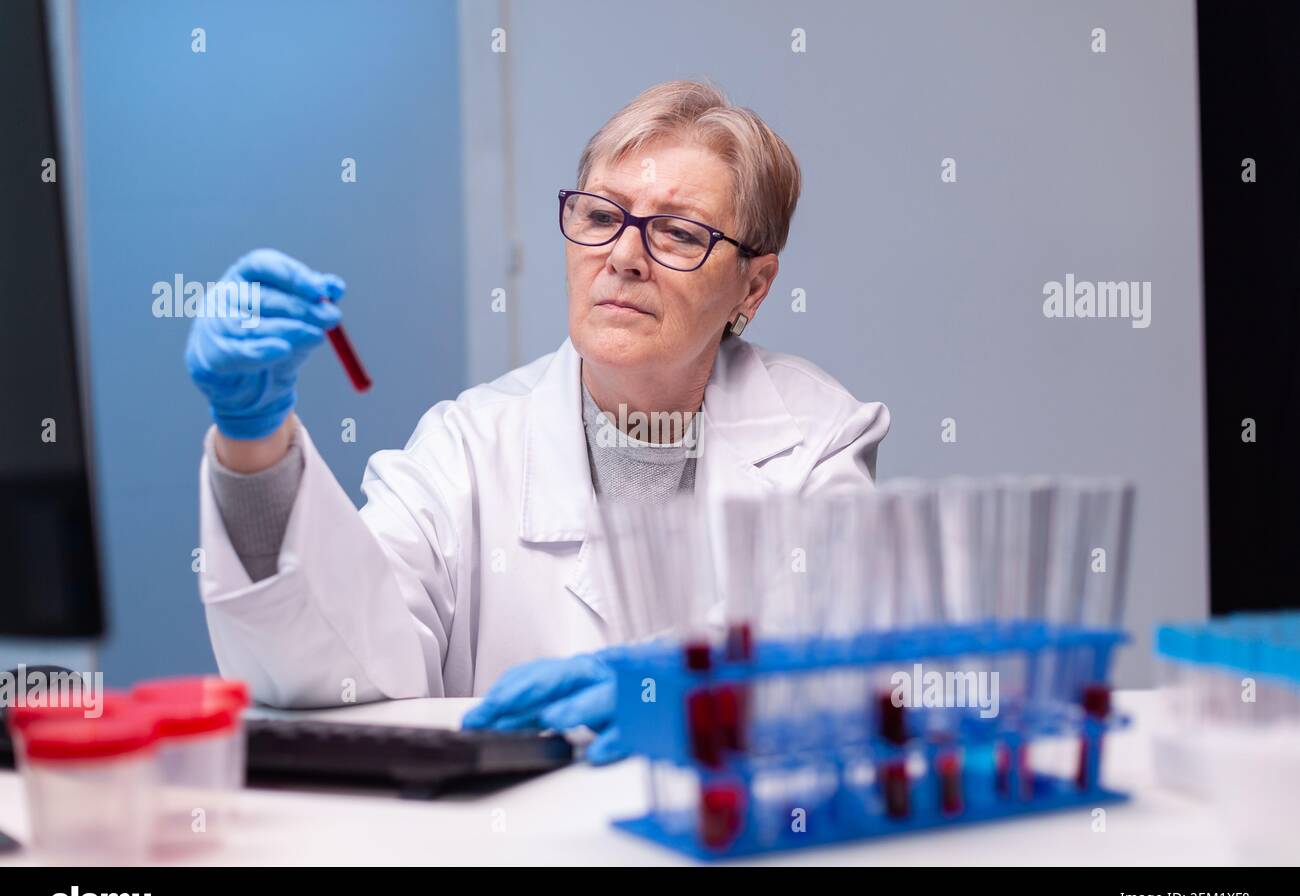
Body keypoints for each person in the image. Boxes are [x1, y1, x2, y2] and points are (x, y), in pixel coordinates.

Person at [185, 80, 890, 761]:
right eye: (600, 216)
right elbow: (338, 671)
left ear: (753, 286)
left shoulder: (814, 439)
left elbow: (848, 675)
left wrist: (687, 693)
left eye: (676, 233)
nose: (622, 258)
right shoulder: (466, 448)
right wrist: (255, 445)